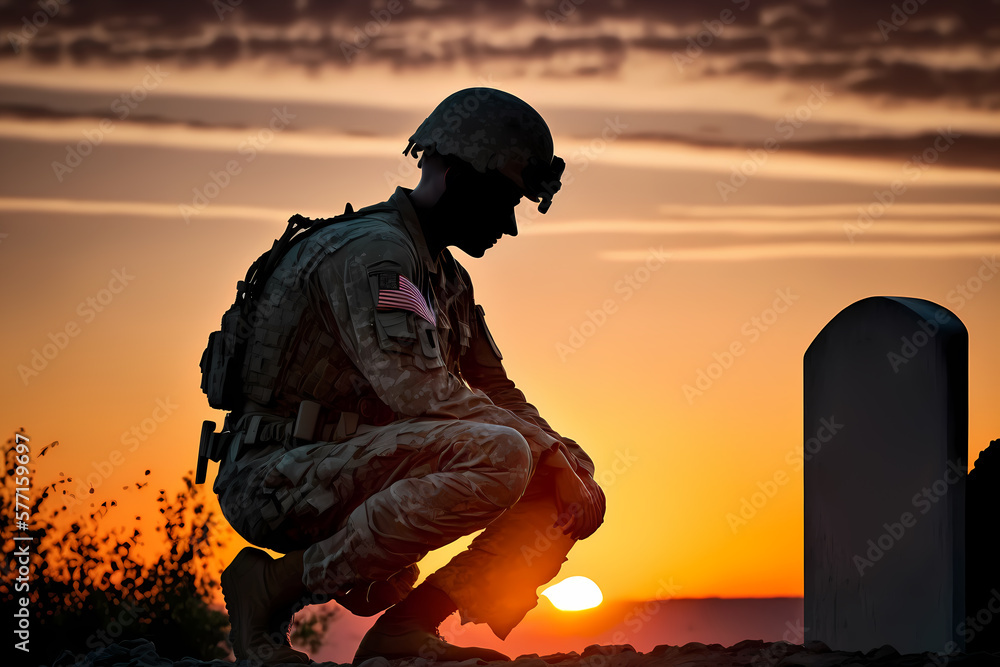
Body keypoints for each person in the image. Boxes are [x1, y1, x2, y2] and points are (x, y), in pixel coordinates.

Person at [211, 87, 606, 665]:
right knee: (507, 454)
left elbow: (496, 392)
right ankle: (268, 590)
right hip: (277, 476)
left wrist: (563, 462)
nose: (510, 227)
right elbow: (416, 390)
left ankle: (408, 628)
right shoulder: (376, 253)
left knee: (566, 466)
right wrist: (543, 455)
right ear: (456, 176)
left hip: (358, 465)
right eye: (505, 201)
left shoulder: (445, 277)